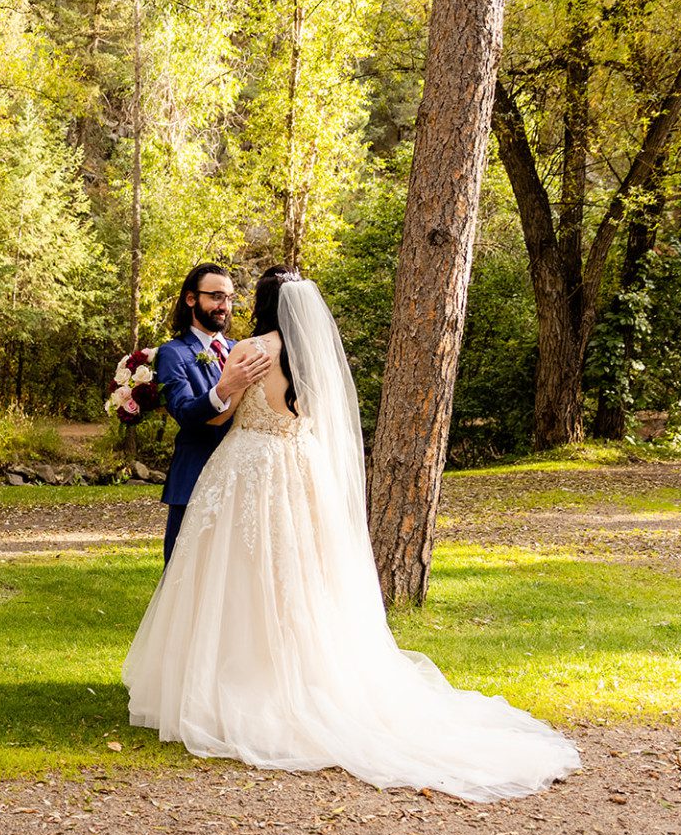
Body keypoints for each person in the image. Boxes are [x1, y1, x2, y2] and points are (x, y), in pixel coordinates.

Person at [123, 268, 581, 801]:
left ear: (264, 305)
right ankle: (301, 675)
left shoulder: (247, 350)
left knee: (240, 574)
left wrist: (230, 390)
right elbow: (317, 418)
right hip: (300, 470)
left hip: (249, 469)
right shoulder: (313, 358)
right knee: (300, 577)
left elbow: (221, 419)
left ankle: (234, 681)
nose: (231, 304)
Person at [154, 262, 272, 564]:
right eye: (217, 297)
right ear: (192, 299)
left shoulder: (243, 348)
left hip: (243, 479)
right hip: (195, 473)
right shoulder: (173, 352)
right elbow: (183, 412)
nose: (225, 306)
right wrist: (224, 388)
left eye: (230, 298)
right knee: (184, 571)